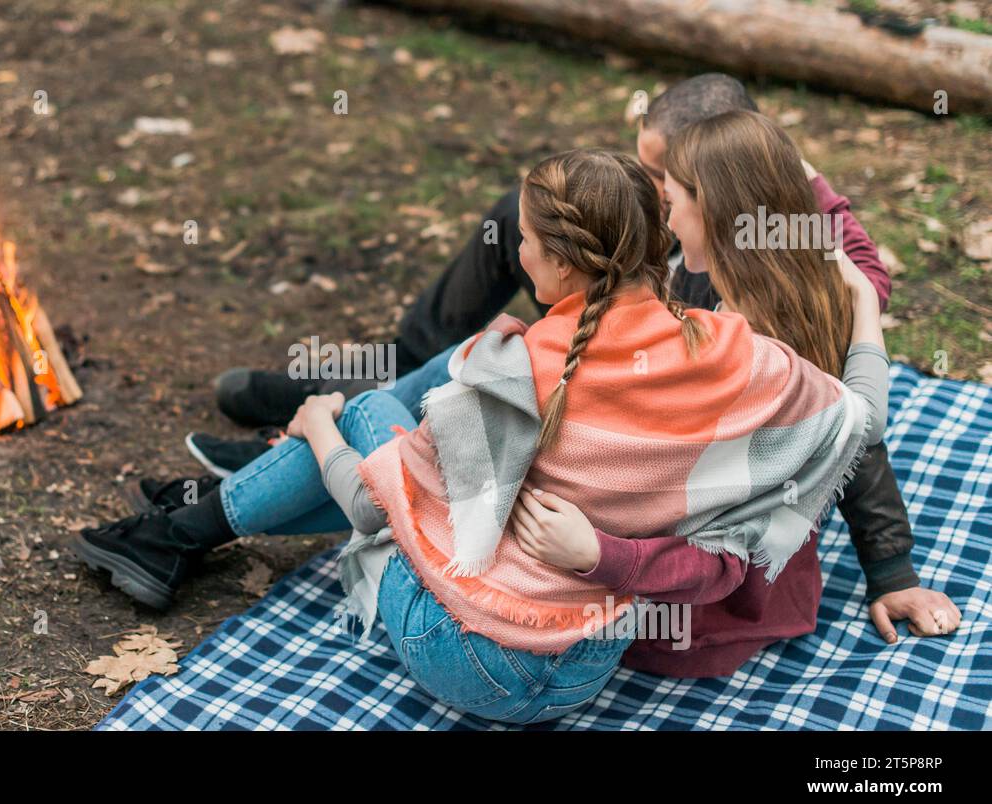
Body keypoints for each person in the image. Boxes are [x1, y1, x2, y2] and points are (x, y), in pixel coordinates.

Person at [77, 149, 884, 719]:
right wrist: (865, 312)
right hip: (586, 668)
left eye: (524, 241)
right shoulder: (741, 355)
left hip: (466, 661)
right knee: (463, 370)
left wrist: (324, 430)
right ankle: (189, 520)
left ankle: (193, 520)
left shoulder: (516, 372)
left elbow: (371, 509)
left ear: (562, 266)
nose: (516, 249)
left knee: (369, 418)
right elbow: (861, 414)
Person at [174, 74, 957, 644]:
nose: (653, 195)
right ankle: (327, 412)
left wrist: (890, 567)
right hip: (637, 430)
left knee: (445, 421)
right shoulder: (725, 222)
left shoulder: (793, 287)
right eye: (649, 172)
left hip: (634, 554)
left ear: (715, 190)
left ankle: (297, 446)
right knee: (493, 293)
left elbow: (849, 424)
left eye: (664, 182)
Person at [505, 113, 962, 679]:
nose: (665, 220)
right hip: (725, 600)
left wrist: (894, 575)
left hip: (678, 602)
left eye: (670, 201)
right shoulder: (769, 297)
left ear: (714, 213)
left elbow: (854, 438)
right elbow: (849, 435)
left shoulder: (747, 345)